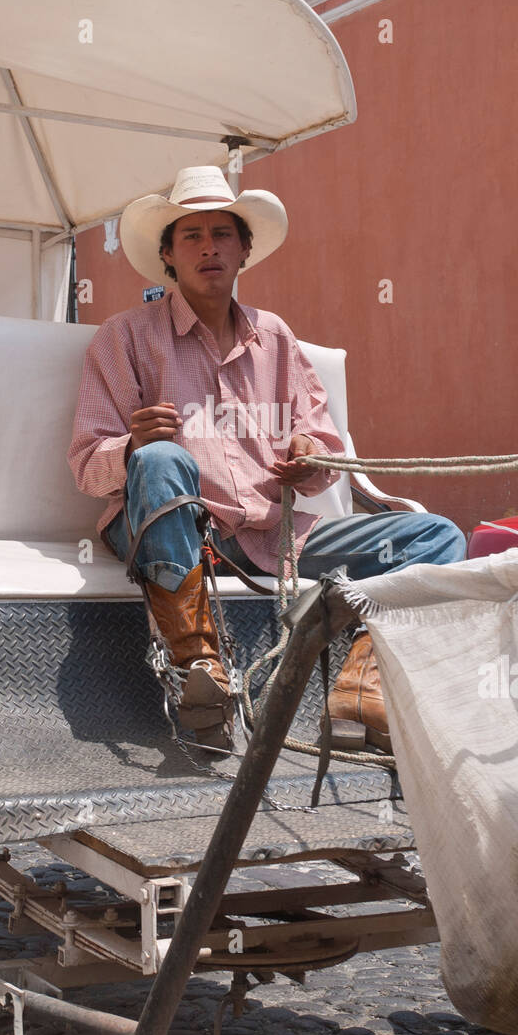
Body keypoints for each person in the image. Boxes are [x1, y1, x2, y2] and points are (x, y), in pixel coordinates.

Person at [68, 166, 465, 753]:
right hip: (172, 530)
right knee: (159, 462)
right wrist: (131, 446)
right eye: (192, 235)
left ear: (244, 249)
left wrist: (311, 459)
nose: (209, 247)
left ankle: (360, 686)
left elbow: (324, 448)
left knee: (436, 538)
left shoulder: (276, 337)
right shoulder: (123, 338)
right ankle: (197, 668)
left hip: (274, 537)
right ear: (168, 256)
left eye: (222, 234)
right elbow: (85, 464)